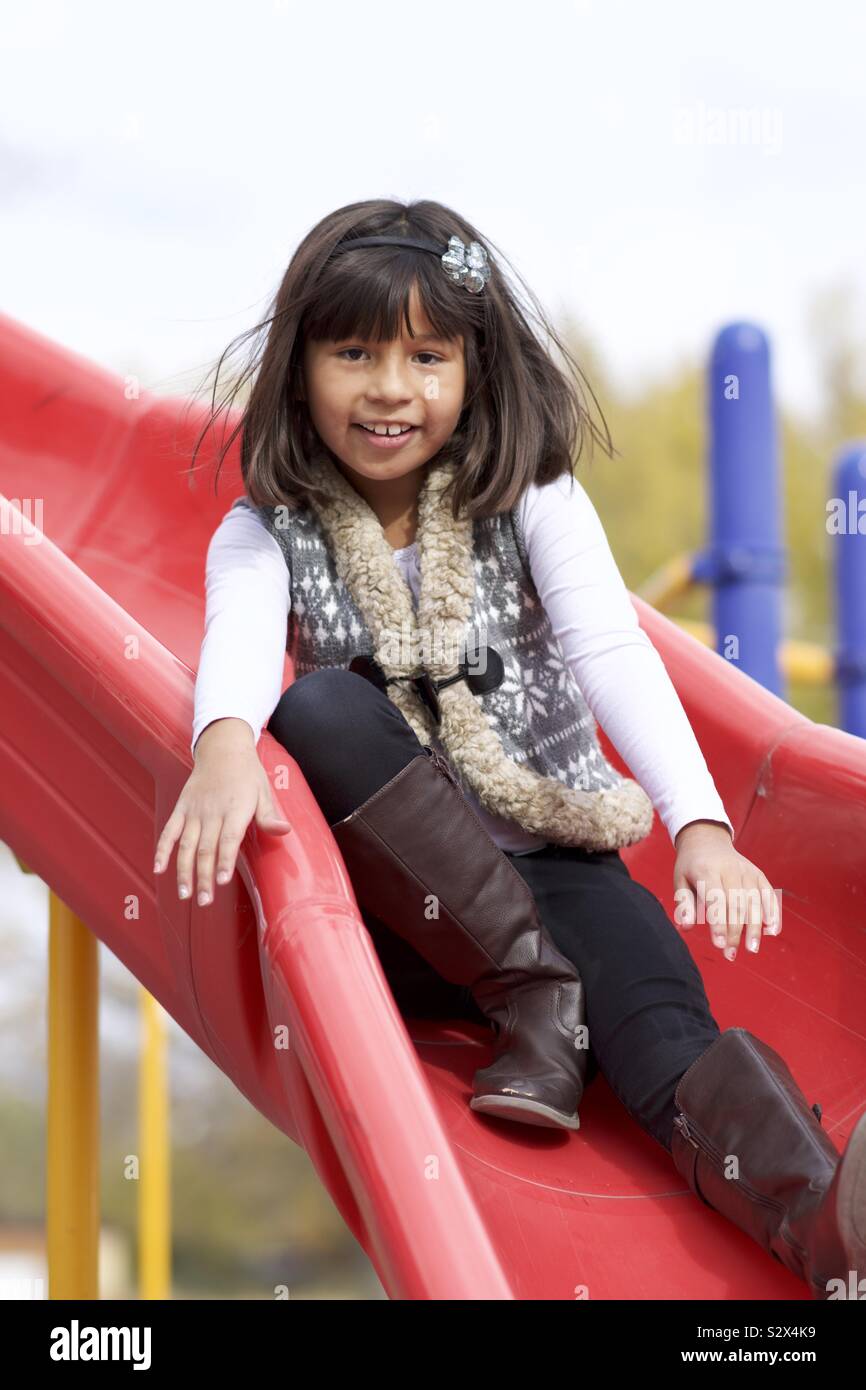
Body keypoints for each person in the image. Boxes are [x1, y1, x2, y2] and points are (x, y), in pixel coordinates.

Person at [153, 198, 865, 1299]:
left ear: (473, 371)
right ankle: (532, 993)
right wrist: (221, 747)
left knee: (659, 1024)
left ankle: (818, 1226)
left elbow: (610, 648)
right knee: (321, 713)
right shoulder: (264, 530)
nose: (391, 388)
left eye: (426, 357)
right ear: (299, 369)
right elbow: (240, 646)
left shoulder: (527, 494)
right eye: (353, 353)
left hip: (555, 870)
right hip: (403, 925)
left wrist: (701, 825)